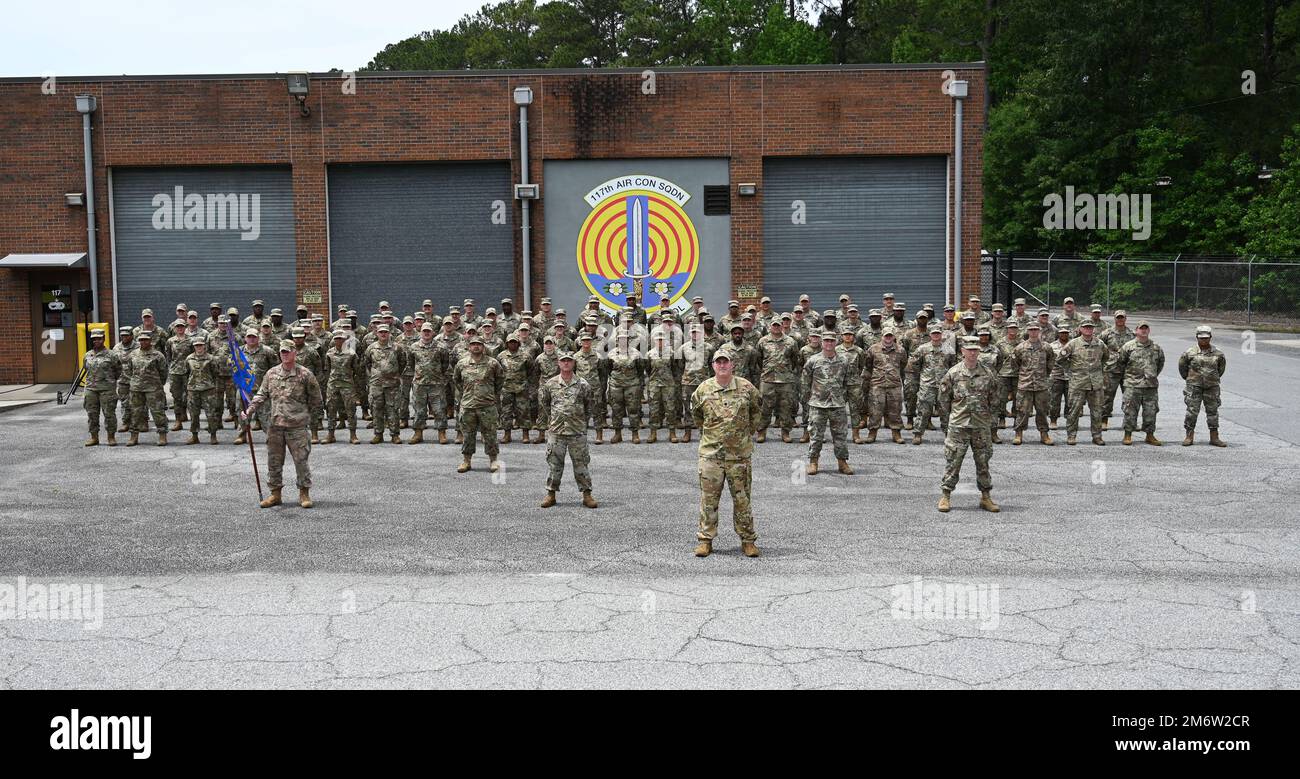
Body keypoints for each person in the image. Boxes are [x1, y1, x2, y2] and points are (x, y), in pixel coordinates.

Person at [690, 351, 763, 558]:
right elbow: (697, 416)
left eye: (726, 362)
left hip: (739, 456)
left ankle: (748, 540)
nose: (722, 365)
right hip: (711, 455)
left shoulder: (747, 388)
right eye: (718, 362)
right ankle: (705, 540)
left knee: (742, 500)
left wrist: (743, 435)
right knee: (708, 500)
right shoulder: (703, 389)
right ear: (713, 365)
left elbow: (757, 413)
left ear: (733, 365)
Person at [242, 340, 324, 509]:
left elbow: (317, 400)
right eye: (282, 352)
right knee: (274, 461)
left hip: (297, 426)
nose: (284, 354)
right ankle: (275, 494)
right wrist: (250, 409)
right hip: (276, 426)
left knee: (301, 461)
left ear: (295, 353)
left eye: (287, 351)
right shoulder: (271, 373)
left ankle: (304, 493)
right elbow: (261, 393)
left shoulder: (305, 374)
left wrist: (308, 419)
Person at [937, 337, 1000, 513]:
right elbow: (943, 400)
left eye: (975, 349)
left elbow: (995, 399)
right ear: (962, 351)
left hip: (981, 426)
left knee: (983, 462)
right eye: (969, 349)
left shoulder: (988, 374)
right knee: (953, 461)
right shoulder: (953, 373)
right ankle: (945, 495)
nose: (972, 353)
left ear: (979, 351)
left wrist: (989, 420)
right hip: (959, 426)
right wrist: (951, 420)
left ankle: (986, 497)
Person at [538, 352, 598, 508]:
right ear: (558, 363)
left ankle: (587, 495)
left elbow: (589, 406)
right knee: (554, 465)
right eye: (563, 361)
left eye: (569, 361)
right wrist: (554, 420)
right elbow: (545, 404)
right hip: (556, 432)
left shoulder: (583, 384)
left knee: (581, 465)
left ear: (573, 363)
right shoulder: (550, 384)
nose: (566, 363)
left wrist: (580, 422)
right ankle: (551, 494)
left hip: (577, 432)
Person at [802, 332, 853, 475]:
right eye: (826, 341)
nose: (829, 343)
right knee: (816, 435)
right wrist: (808, 400)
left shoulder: (843, 360)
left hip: (837, 404)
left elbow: (848, 381)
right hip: (818, 404)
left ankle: (842, 463)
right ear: (822, 342)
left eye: (831, 341)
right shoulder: (813, 360)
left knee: (841, 435)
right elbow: (805, 381)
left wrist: (843, 398)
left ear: (836, 342)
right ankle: (813, 462)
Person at [452, 335, 504, 472]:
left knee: (490, 434)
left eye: (479, 344)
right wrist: (467, 394)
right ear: (469, 347)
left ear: (483, 346)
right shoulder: (462, 363)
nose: (476, 346)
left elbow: (500, 380)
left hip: (487, 405)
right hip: (468, 405)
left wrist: (490, 394)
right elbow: (457, 380)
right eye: (473, 344)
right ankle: (466, 461)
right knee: (468, 435)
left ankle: (493, 461)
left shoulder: (492, 363)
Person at [1058, 320, 1108, 445]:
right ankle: (1071, 436)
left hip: (1095, 384)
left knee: (1097, 411)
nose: (1088, 329)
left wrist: (1098, 371)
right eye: (1085, 327)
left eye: (1090, 327)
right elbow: (1060, 359)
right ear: (1080, 329)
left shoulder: (1100, 344)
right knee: (1074, 410)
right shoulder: (1073, 344)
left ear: (1094, 329)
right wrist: (1071, 370)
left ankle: (1097, 436)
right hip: (1078, 383)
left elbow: (1106, 358)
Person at [1116, 321, 1165, 446]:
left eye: (1146, 328)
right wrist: (1128, 378)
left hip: (1150, 386)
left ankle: (1150, 435)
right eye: (1141, 328)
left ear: (1149, 331)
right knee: (1130, 411)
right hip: (1133, 385)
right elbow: (1120, 363)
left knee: (1151, 411)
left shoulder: (1156, 348)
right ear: (1136, 331)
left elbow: (1160, 364)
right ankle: (1127, 435)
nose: (1143, 330)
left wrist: (1152, 375)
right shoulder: (1128, 347)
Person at [1179, 325, 1227, 447]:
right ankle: (1189, 436)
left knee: (1213, 412)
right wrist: (1191, 379)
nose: (1204, 340)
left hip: (1212, 387)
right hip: (1194, 387)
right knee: (1192, 412)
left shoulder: (1218, 353)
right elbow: (1182, 368)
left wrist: (1210, 379)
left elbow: (1221, 369)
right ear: (1197, 337)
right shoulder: (1189, 353)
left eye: (1206, 338)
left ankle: (1214, 436)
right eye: (1201, 338)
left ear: (1210, 337)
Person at [908, 325, 955, 445]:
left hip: (943, 385)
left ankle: (948, 434)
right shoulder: (922, 349)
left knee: (945, 411)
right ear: (930, 335)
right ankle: (918, 434)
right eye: (934, 333)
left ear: (941, 335)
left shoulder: (949, 350)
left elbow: (953, 367)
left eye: (938, 333)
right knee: (923, 410)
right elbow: (914, 364)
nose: (936, 335)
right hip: (927, 384)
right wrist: (921, 378)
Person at [1010, 323, 1054, 445]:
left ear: (1039, 330)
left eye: (1036, 329)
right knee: (1022, 410)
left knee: (1042, 411)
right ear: (1028, 331)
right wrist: (1024, 375)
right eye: (1031, 330)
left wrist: (1044, 375)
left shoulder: (1046, 347)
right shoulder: (1020, 347)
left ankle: (1044, 434)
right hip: (1025, 384)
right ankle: (1018, 434)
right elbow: (1015, 365)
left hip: (1041, 385)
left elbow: (1050, 363)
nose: (1034, 332)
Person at [407, 322, 450, 445]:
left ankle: (441, 433)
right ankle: (418, 433)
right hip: (419, 384)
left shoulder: (441, 347)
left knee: (439, 409)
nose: (426, 333)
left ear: (433, 332)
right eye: (424, 331)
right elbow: (411, 363)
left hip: (436, 384)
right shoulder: (413, 347)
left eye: (428, 331)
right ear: (420, 332)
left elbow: (445, 364)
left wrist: (437, 374)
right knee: (419, 410)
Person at [124, 331, 169, 446]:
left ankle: (162, 435)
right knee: (135, 412)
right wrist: (134, 381)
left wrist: (158, 384)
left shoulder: (158, 355)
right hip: (136, 388)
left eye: (145, 340)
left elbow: (163, 372)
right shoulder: (133, 354)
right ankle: (134, 436)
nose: (143, 342)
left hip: (153, 388)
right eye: (141, 340)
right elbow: (129, 370)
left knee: (158, 412)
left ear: (151, 341)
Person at [862, 329, 906, 444]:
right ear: (882, 336)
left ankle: (896, 433)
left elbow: (903, 365)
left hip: (894, 385)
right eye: (886, 336)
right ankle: (872, 433)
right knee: (875, 410)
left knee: (895, 410)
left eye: (890, 336)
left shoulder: (900, 350)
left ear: (893, 337)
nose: (888, 338)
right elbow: (868, 365)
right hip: (877, 384)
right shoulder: (873, 349)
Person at [365, 324, 406, 443]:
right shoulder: (371, 348)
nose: (383, 334)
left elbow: (402, 362)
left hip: (392, 384)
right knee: (376, 409)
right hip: (376, 384)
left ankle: (394, 435)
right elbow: (367, 363)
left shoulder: (397, 348)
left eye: (385, 332)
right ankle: (378, 434)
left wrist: (394, 374)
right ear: (377, 333)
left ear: (389, 333)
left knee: (393, 409)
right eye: (381, 332)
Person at [82, 328, 121, 446]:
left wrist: (109, 381)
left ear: (103, 339)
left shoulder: (112, 355)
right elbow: (86, 369)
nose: (96, 341)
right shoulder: (87, 355)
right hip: (91, 389)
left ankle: (111, 437)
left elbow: (118, 370)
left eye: (99, 339)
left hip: (107, 389)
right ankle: (94, 437)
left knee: (109, 414)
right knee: (92, 414)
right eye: (94, 339)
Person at [323, 330, 363, 444]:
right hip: (333, 384)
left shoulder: (351, 354)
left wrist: (356, 389)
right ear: (333, 340)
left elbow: (357, 370)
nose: (339, 341)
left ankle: (353, 435)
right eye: (337, 339)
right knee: (331, 409)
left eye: (341, 338)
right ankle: (331, 434)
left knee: (351, 409)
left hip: (347, 385)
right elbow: (327, 369)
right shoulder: (329, 353)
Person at [184, 336, 222, 445]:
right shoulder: (189, 358)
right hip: (193, 389)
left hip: (208, 390)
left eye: (200, 345)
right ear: (194, 346)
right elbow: (187, 373)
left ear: (204, 346)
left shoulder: (211, 358)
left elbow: (216, 373)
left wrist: (210, 383)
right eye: (196, 345)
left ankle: (213, 435)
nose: (199, 347)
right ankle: (194, 436)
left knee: (211, 414)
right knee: (193, 414)